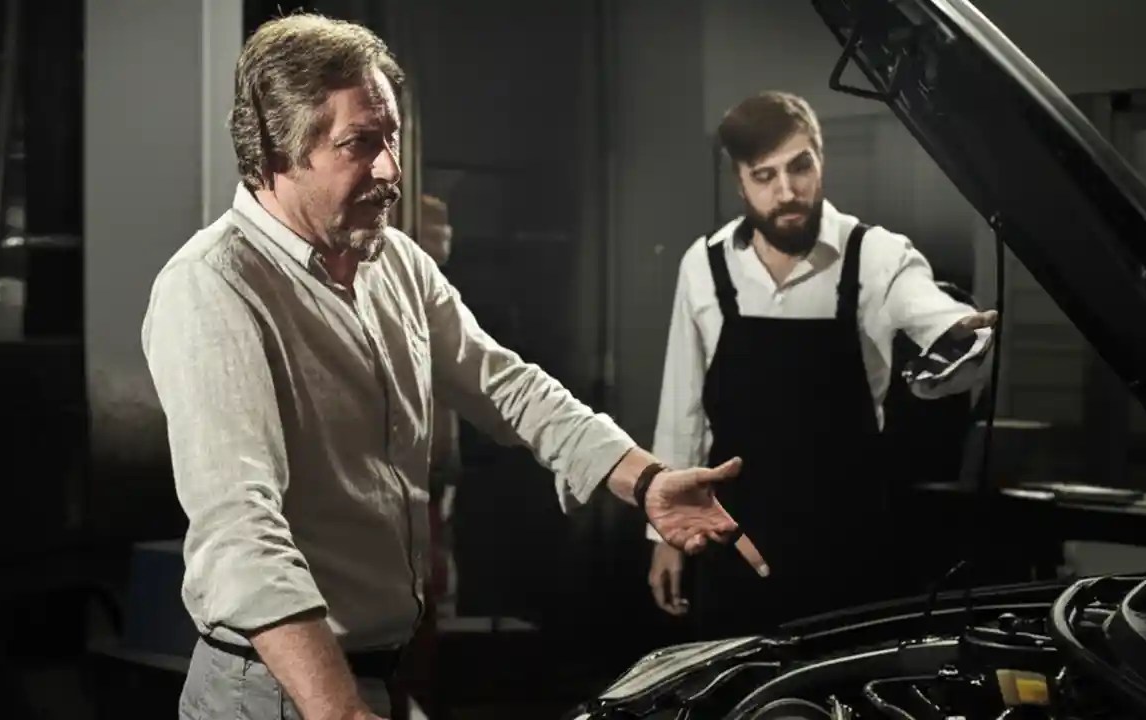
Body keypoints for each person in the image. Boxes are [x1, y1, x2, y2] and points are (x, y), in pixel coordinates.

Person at [141, 14, 766, 720]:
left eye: (392, 138)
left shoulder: (395, 262)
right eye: (360, 144)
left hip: (379, 677)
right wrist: (337, 709)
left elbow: (506, 385)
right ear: (276, 154)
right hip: (282, 694)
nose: (390, 170)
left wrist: (644, 479)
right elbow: (240, 532)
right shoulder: (214, 287)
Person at [645, 91, 998, 639]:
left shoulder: (874, 255)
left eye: (799, 166)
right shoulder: (704, 265)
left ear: (820, 158)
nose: (786, 192)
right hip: (735, 542)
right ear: (739, 182)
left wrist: (954, 332)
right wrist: (665, 538)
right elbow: (682, 410)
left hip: (850, 550)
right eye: (764, 176)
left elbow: (929, 310)